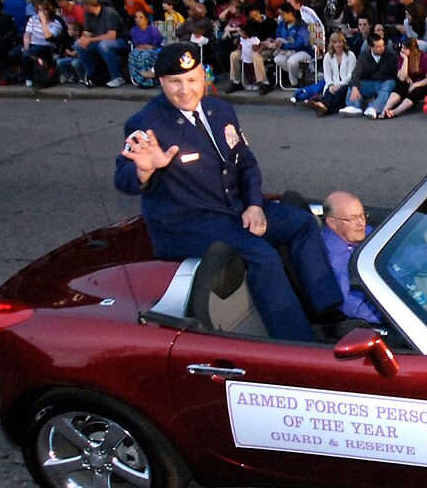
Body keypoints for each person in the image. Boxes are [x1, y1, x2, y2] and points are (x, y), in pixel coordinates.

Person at [115, 42, 343, 341]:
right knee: (261, 253)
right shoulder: (146, 123)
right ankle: (296, 340)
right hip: (187, 223)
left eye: (192, 80)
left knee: (300, 223)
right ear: (161, 82)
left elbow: (245, 162)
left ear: (203, 76)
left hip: (234, 210)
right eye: (175, 82)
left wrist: (254, 205)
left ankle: (329, 312)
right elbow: (123, 179)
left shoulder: (219, 109)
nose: (185, 90)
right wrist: (144, 170)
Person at [320, 191, 381, 323]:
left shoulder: (357, 233)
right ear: (332, 223)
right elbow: (354, 306)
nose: (361, 223)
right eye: (352, 218)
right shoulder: (333, 262)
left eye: (362, 215)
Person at [341, 32, 398, 118]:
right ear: (371, 47)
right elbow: (356, 72)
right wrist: (355, 87)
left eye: (382, 45)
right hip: (369, 82)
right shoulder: (364, 55)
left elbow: (395, 73)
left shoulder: (391, 54)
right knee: (353, 85)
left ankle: (374, 108)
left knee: (389, 85)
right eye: (378, 47)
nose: (382, 48)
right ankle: (354, 106)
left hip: (384, 81)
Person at [77, 0, 129, 87]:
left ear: (88, 4)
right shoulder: (88, 14)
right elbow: (88, 31)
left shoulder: (109, 13)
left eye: (83, 5)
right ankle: (92, 75)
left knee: (104, 45)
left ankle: (117, 77)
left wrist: (90, 39)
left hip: (121, 41)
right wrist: (84, 38)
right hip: (99, 40)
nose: (82, 7)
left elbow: (111, 35)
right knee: (78, 44)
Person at [383, 37, 427, 118]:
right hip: (409, 81)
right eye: (402, 47)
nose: (402, 50)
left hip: (423, 83)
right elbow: (402, 77)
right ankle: (385, 109)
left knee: (416, 92)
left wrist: (415, 85)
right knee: (401, 85)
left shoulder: (424, 57)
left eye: (405, 48)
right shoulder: (402, 57)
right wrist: (405, 60)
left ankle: (396, 111)